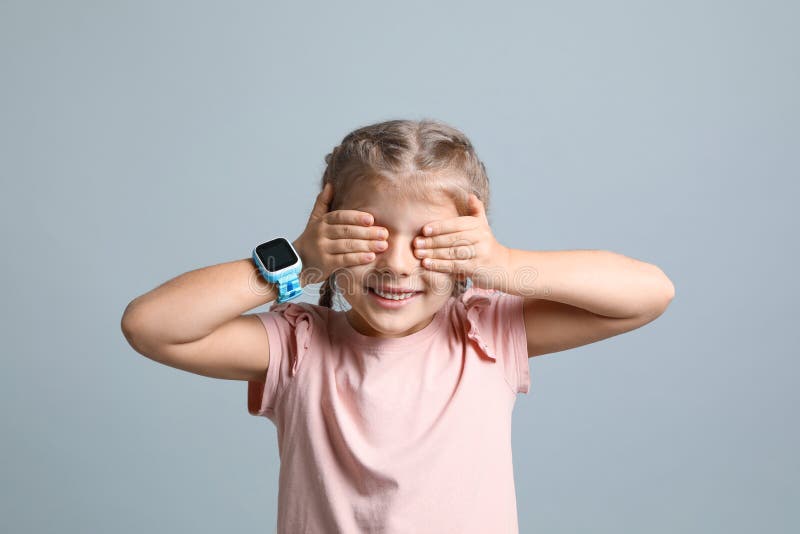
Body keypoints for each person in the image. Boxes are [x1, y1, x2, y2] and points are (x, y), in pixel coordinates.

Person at [120, 118, 675, 533]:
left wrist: (503, 265)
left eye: (429, 239)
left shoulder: (485, 333)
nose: (398, 263)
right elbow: (151, 326)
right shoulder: (297, 345)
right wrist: (298, 262)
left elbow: (647, 294)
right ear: (330, 231)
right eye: (371, 236)